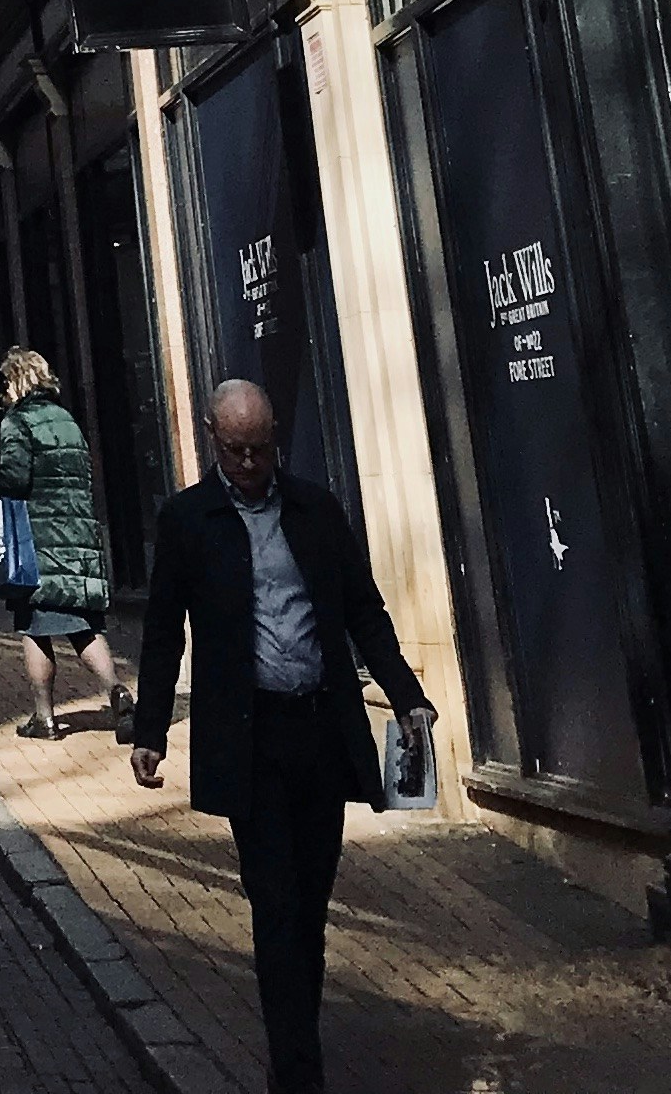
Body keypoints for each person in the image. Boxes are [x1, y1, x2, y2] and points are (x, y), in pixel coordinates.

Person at [130, 377, 436, 1094]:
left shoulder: (315, 510)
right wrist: (149, 731)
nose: (248, 465)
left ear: (276, 443)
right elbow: (160, 632)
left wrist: (409, 697)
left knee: (310, 904)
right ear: (213, 438)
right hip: (250, 738)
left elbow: (364, 610)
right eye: (235, 450)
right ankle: (297, 1072)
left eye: (260, 449)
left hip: (320, 731)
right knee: (273, 904)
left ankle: (294, 1040)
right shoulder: (188, 520)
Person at [0, 346, 128, 738]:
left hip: (39, 542)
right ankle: (117, 691)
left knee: (34, 627)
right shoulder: (66, 419)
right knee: (82, 625)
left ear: (15, 381)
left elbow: (16, 479)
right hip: (77, 539)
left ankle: (44, 717)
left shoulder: (18, 422)